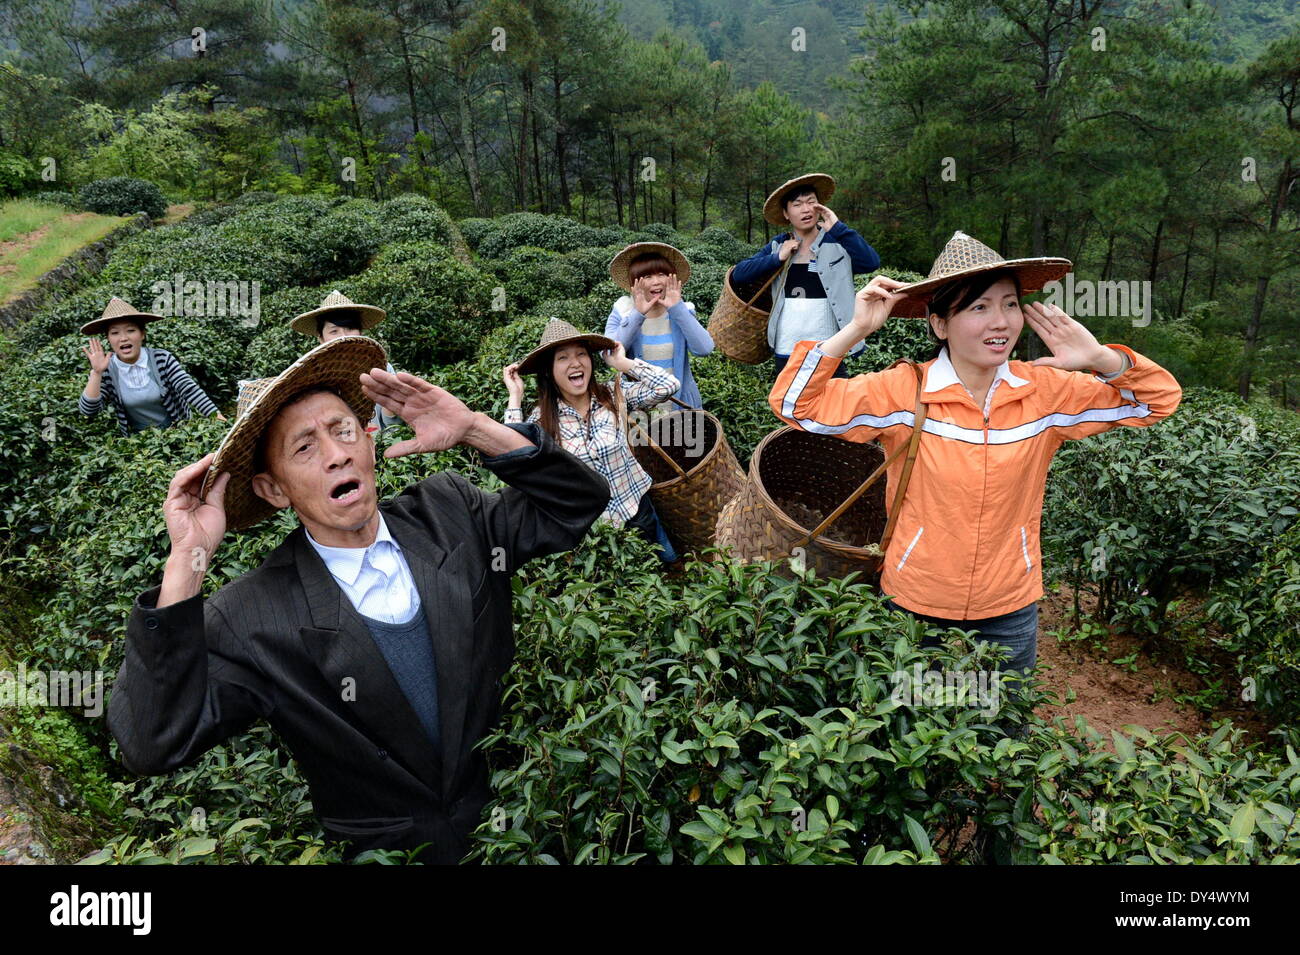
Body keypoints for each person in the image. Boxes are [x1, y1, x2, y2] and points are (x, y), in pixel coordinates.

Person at [106, 335, 610, 864]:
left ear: (369, 441)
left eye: (344, 430)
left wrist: (476, 430)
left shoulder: (449, 511)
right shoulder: (250, 616)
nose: (335, 454)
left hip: (518, 830)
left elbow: (575, 504)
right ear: (274, 490)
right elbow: (152, 742)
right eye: (304, 447)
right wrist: (186, 559)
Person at [768, 230, 1183, 701]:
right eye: (979, 307)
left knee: (1002, 729)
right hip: (916, 601)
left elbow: (1157, 403)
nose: (1000, 321)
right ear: (941, 323)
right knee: (916, 728)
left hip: (1009, 604)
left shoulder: (1045, 392)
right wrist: (856, 329)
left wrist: (1100, 359)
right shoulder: (905, 391)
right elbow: (795, 404)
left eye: (1009, 304)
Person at [502, 318, 680, 563]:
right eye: (562, 358)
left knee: (669, 563)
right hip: (596, 533)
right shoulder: (542, 420)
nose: (575, 363)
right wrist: (515, 397)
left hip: (639, 510)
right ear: (549, 371)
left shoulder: (613, 394)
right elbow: (513, 457)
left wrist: (623, 363)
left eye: (581, 354)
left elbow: (668, 386)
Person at [731, 173, 881, 379]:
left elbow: (871, 262)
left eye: (811, 202)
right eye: (797, 204)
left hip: (830, 346)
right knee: (791, 408)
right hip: (787, 346)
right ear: (786, 213)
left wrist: (838, 228)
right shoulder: (777, 245)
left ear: (820, 208)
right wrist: (777, 257)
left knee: (834, 406)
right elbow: (739, 274)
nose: (806, 209)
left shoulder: (837, 243)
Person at [78, 296, 224, 435]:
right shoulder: (107, 370)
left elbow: (189, 389)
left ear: (142, 334)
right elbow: (88, 411)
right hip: (141, 444)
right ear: (108, 339)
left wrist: (216, 417)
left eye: (131, 330)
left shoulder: (162, 359)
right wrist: (96, 373)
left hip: (182, 432)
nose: (123, 338)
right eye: (115, 333)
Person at [604, 242, 713, 409]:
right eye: (647, 277)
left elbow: (704, 348)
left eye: (662, 274)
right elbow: (610, 352)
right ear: (635, 283)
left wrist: (677, 308)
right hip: (640, 411)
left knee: (690, 436)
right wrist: (637, 314)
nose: (656, 282)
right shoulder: (622, 310)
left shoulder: (682, 310)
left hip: (682, 407)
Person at [290, 290, 403, 432]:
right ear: (321, 338)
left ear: (360, 331)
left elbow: (392, 430)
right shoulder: (312, 378)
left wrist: (390, 402)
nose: (344, 337)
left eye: (350, 328)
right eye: (334, 331)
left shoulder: (381, 368)